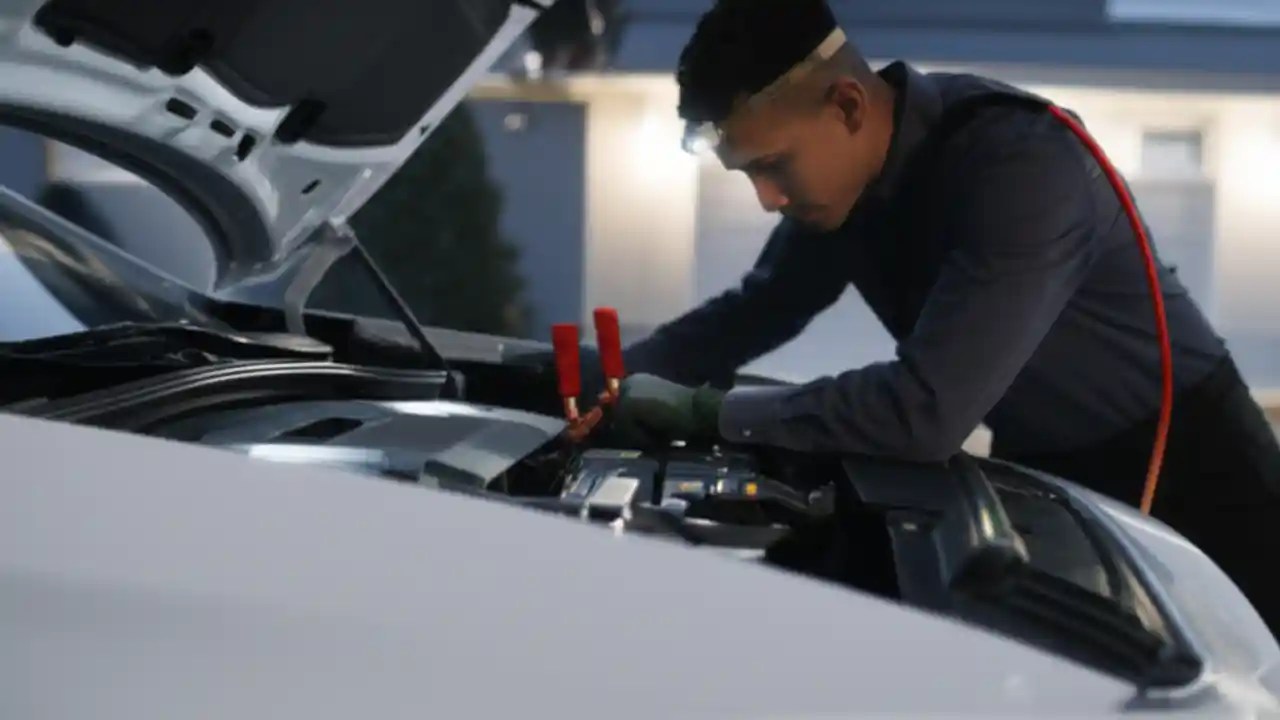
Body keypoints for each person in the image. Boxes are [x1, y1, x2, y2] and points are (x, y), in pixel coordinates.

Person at [591, 0, 1280, 635]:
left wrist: (710, 412)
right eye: (745, 174)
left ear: (848, 104)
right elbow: (750, 313)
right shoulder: (844, 191)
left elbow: (923, 412)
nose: (767, 199)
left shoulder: (1019, 166)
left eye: (773, 165)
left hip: (1202, 474)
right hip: (1048, 468)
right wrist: (609, 379)